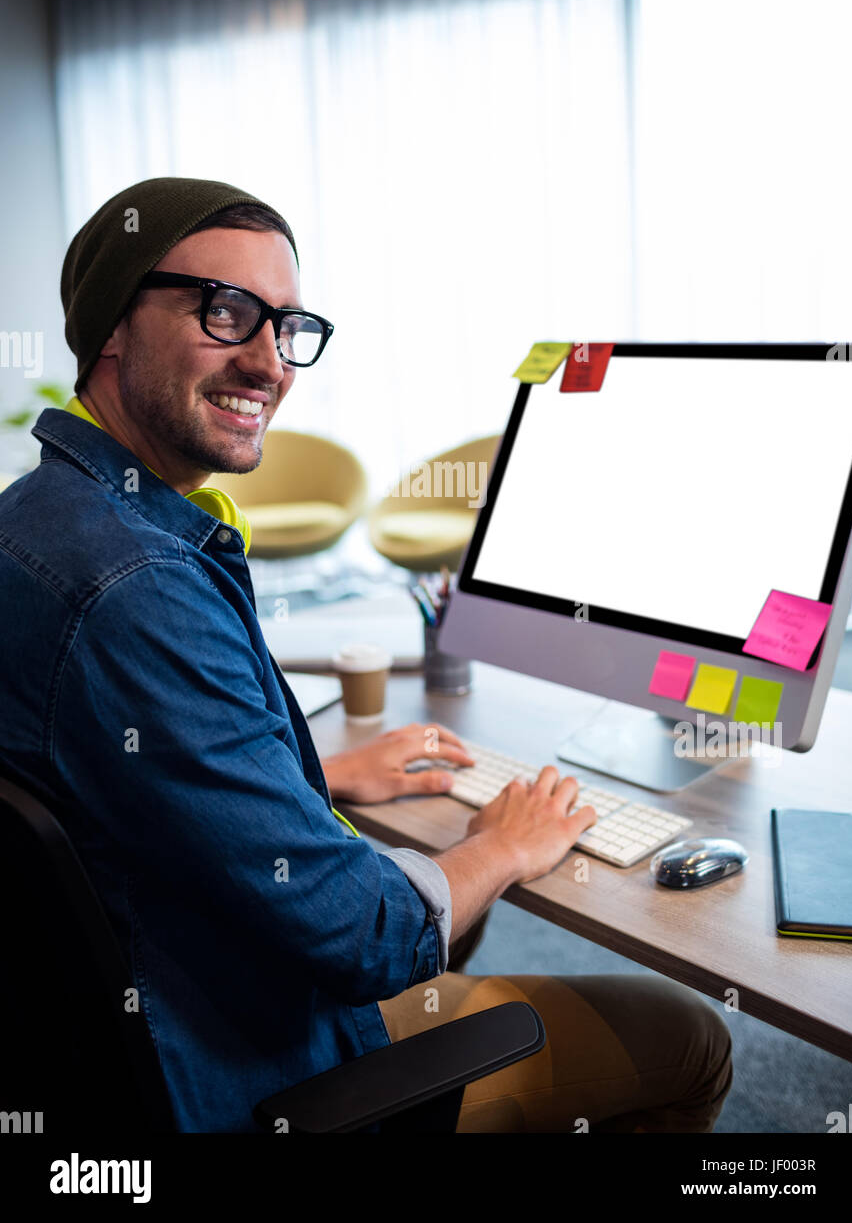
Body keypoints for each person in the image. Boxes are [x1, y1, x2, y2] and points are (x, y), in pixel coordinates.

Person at [0, 177, 732, 1133]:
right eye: (227, 314)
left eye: (287, 325)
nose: (270, 363)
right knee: (686, 1036)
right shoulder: (136, 586)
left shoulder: (37, 524)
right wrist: (499, 845)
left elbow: (113, 786)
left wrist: (319, 780)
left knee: (456, 907)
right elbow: (367, 938)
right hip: (247, 1070)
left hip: (124, 1031)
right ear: (110, 328)